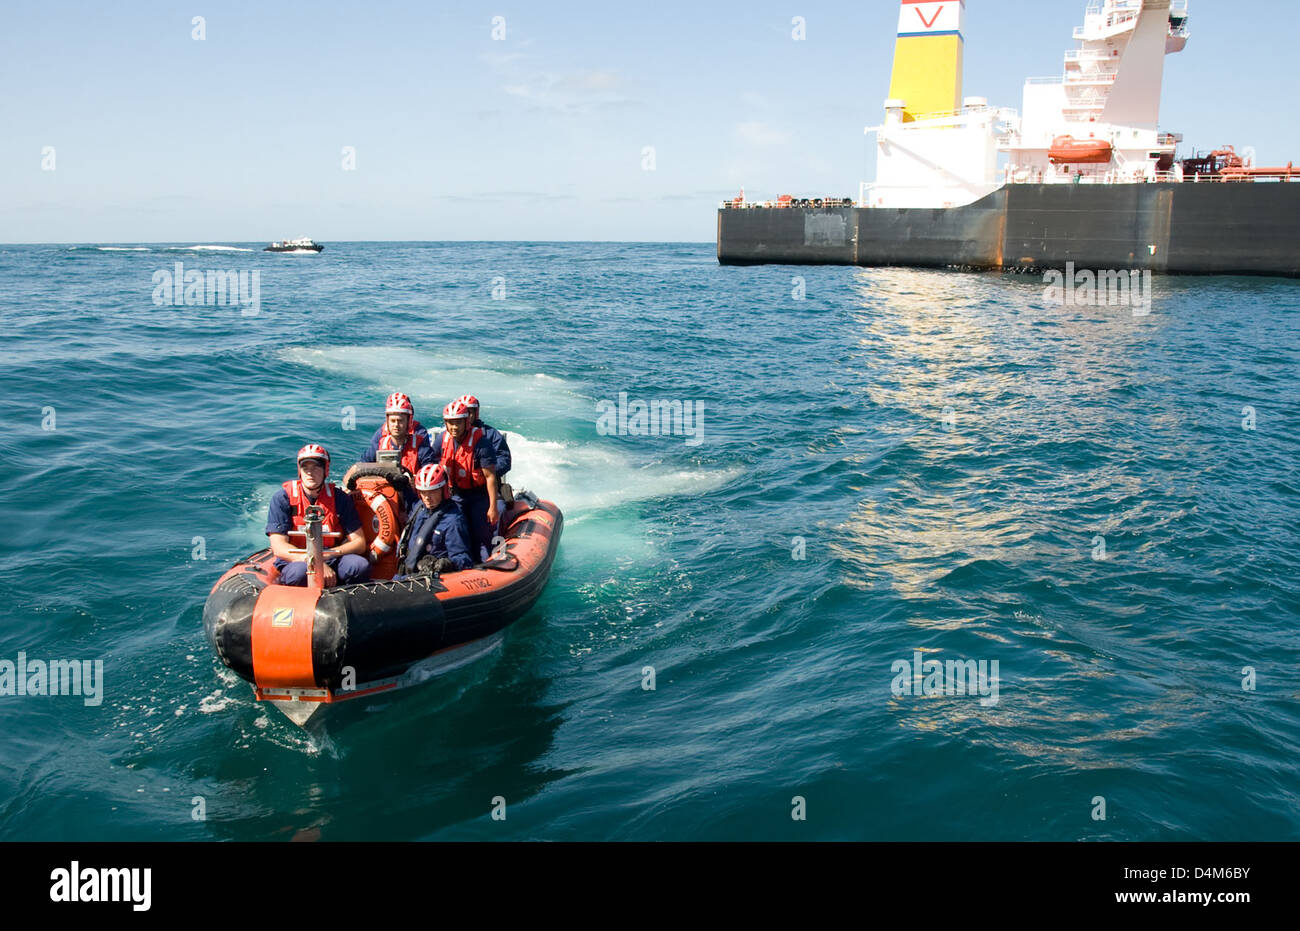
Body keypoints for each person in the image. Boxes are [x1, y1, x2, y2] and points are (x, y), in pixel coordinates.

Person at [266, 444, 371, 587]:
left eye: (315, 467)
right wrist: (315, 562)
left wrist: (329, 555)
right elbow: (278, 546)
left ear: (325, 470)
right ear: (299, 470)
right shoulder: (282, 499)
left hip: (331, 556)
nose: (310, 472)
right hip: (297, 559)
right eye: (305, 468)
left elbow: (359, 543)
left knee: (359, 566)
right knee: (299, 573)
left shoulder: (339, 498)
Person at [431, 399, 500, 562]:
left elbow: (490, 477)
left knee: (481, 534)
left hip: (478, 495)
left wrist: (493, 507)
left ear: (466, 422)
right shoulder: (442, 440)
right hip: (454, 494)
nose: (454, 428)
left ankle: (484, 564)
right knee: (455, 529)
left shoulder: (481, 443)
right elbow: (431, 462)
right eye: (450, 423)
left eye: (458, 423)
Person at [396, 464, 473, 576]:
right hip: (409, 572)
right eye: (423, 492)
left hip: (434, 578)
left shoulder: (453, 520)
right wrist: (404, 488)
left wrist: (445, 564)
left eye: (432, 492)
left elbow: (462, 558)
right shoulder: (419, 508)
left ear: (443, 490)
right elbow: (410, 503)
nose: (427, 497)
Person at [360, 392, 434, 475]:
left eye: (400, 421)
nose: (396, 425)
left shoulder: (419, 439)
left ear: (408, 420)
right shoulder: (381, 440)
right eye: (392, 421)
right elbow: (363, 464)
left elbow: (429, 468)